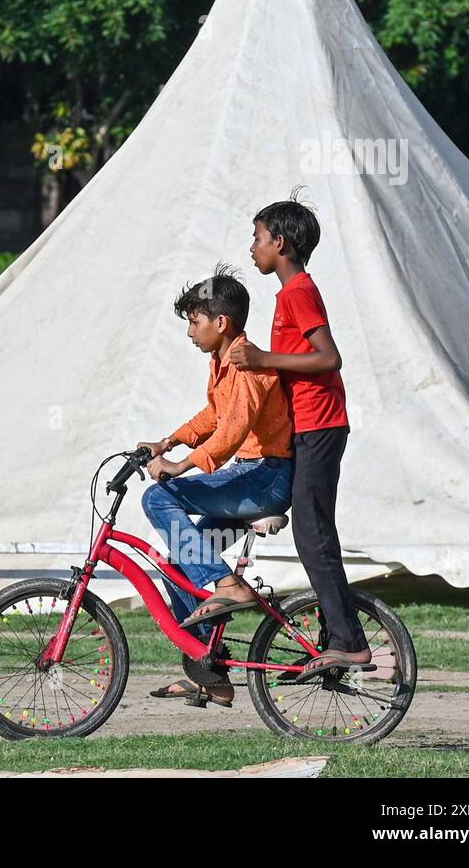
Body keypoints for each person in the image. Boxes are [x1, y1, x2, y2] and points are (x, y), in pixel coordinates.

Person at [136, 264, 294, 707]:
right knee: (182, 563)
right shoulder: (220, 365)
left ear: (220, 323)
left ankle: (227, 588)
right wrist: (166, 442)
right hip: (246, 479)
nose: (189, 332)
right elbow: (212, 417)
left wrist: (180, 465)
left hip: (264, 477)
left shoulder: (246, 365)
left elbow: (231, 435)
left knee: (157, 497)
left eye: (194, 321)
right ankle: (208, 668)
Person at [230, 190, 370, 680]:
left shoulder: (299, 292)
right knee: (312, 531)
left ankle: (349, 642)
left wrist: (265, 358)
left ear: (281, 243)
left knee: (312, 533)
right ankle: (336, 636)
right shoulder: (290, 293)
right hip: (308, 425)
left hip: (322, 422)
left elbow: (328, 358)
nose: (252, 247)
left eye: (258, 238)